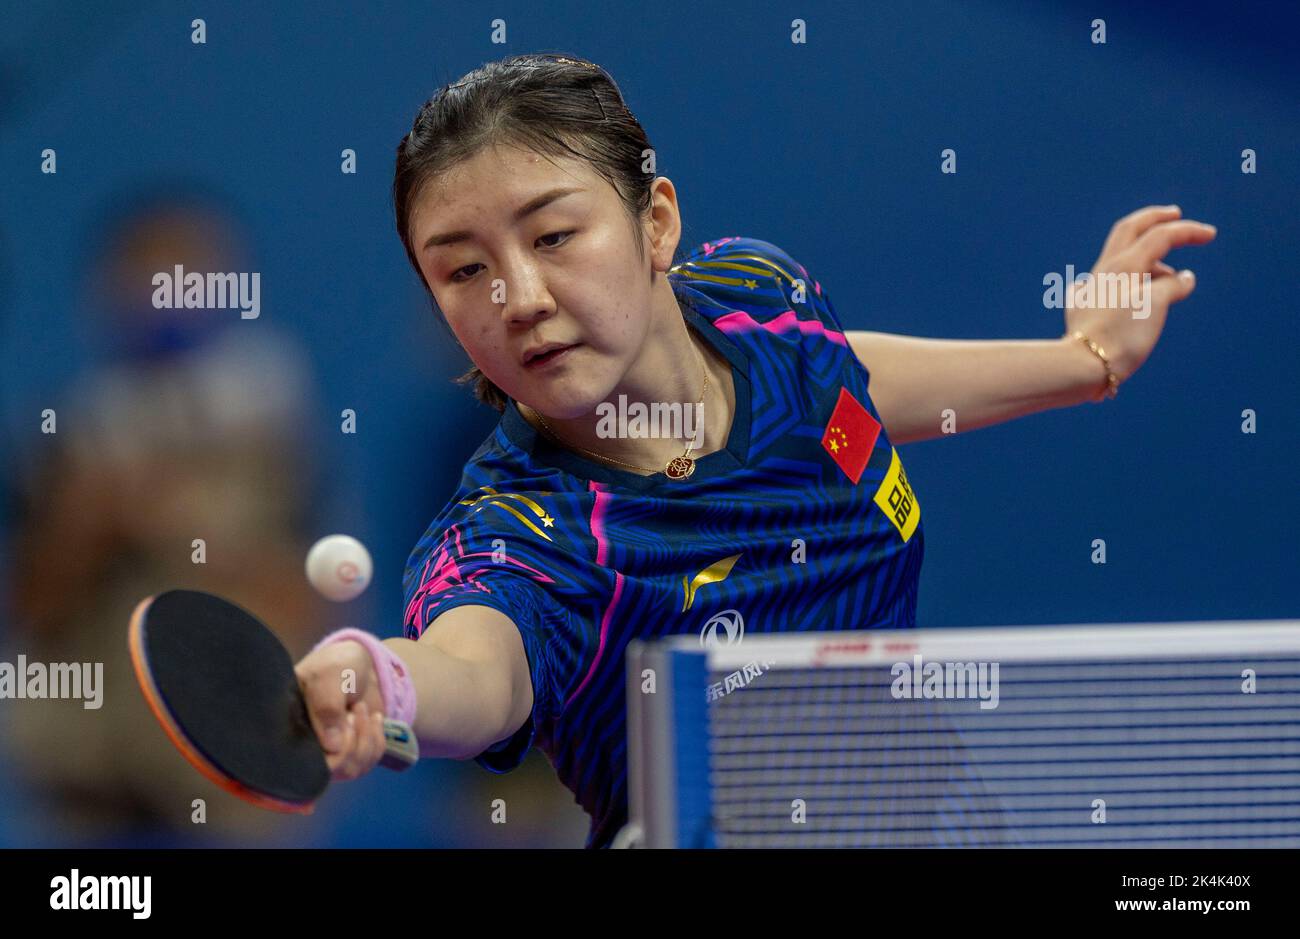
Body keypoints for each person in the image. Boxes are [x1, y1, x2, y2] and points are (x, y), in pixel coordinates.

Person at [293, 52, 1216, 848]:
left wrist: (1083, 361)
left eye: (554, 235)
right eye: (465, 269)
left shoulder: (759, 292)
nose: (519, 296)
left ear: (656, 222)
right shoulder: (522, 539)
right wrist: (391, 681)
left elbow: (842, 380)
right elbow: (477, 666)